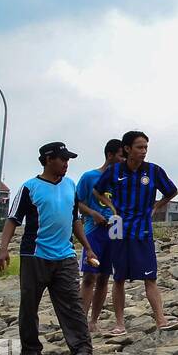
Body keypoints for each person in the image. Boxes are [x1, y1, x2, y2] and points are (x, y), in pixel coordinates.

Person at [0, 142, 98, 355]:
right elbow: (13, 220)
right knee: (30, 304)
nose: (66, 164)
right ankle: (30, 348)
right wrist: (3, 249)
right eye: (62, 159)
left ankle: (81, 346)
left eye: (68, 160)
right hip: (35, 255)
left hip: (65, 255)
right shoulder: (30, 187)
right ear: (48, 160)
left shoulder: (71, 185)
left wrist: (87, 247)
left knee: (72, 303)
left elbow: (75, 220)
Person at [94, 130, 178, 333]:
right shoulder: (114, 171)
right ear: (127, 149)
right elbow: (97, 191)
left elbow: (172, 190)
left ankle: (161, 320)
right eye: (139, 147)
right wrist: (111, 206)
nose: (143, 151)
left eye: (146, 147)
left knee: (149, 276)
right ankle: (119, 324)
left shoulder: (153, 171)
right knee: (118, 278)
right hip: (117, 227)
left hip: (142, 228)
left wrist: (156, 207)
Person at [76, 138, 125, 333]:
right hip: (93, 231)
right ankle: (81, 319)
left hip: (114, 232)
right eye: (121, 155)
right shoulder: (89, 177)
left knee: (105, 277)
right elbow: (77, 203)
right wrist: (93, 214)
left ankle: (93, 321)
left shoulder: (122, 179)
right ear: (110, 155)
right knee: (89, 276)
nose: (123, 159)